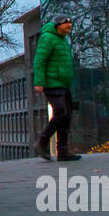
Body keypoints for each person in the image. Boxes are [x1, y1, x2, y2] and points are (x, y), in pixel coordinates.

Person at [32, 16, 78, 162]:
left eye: (70, 23)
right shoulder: (48, 38)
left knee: (67, 116)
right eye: (66, 23)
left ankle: (63, 151)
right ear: (58, 25)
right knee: (61, 113)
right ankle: (42, 142)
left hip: (63, 83)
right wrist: (39, 82)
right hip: (52, 83)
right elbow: (40, 60)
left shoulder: (63, 39)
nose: (69, 25)